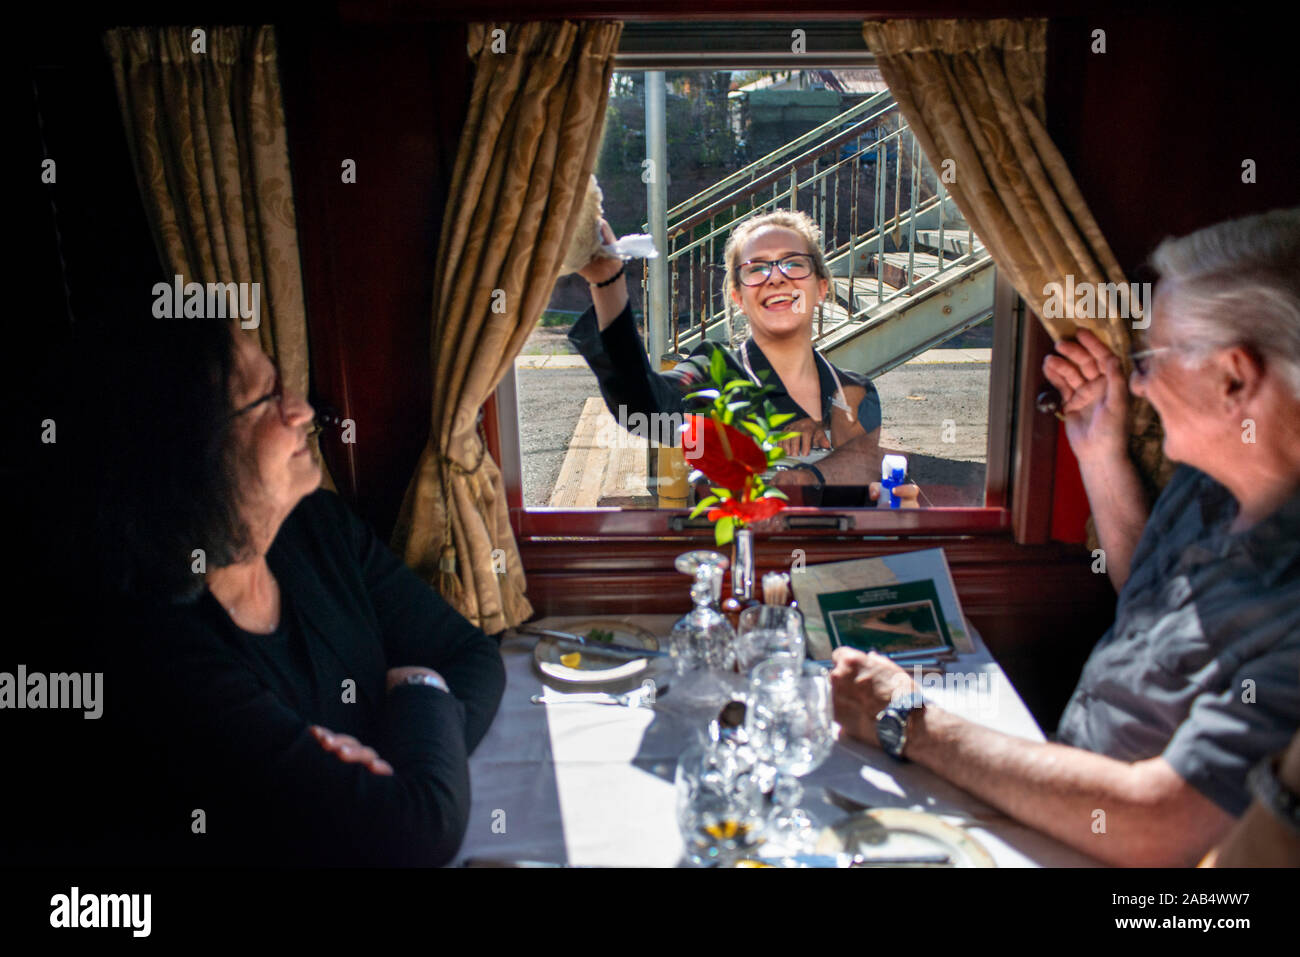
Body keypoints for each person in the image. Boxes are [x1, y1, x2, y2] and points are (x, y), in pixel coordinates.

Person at [830, 207, 1300, 867]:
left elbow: (1157, 823)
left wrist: (904, 716)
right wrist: (1100, 451)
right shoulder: (1215, 481)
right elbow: (1153, 598)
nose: (1137, 381)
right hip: (1057, 793)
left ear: (1234, 380)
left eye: (1152, 357)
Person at [54, 317, 505, 867]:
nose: (303, 411)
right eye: (269, 397)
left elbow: (471, 655)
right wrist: (422, 699)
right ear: (191, 453)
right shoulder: (158, 651)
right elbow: (415, 831)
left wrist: (395, 766)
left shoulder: (314, 525)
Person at [569, 209, 919, 507]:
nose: (777, 277)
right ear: (738, 296)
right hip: (738, 573)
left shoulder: (857, 393)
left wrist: (900, 506)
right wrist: (609, 283)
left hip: (831, 577)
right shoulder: (712, 373)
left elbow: (865, 493)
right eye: (756, 269)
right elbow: (643, 412)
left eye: (794, 264)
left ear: (821, 288)